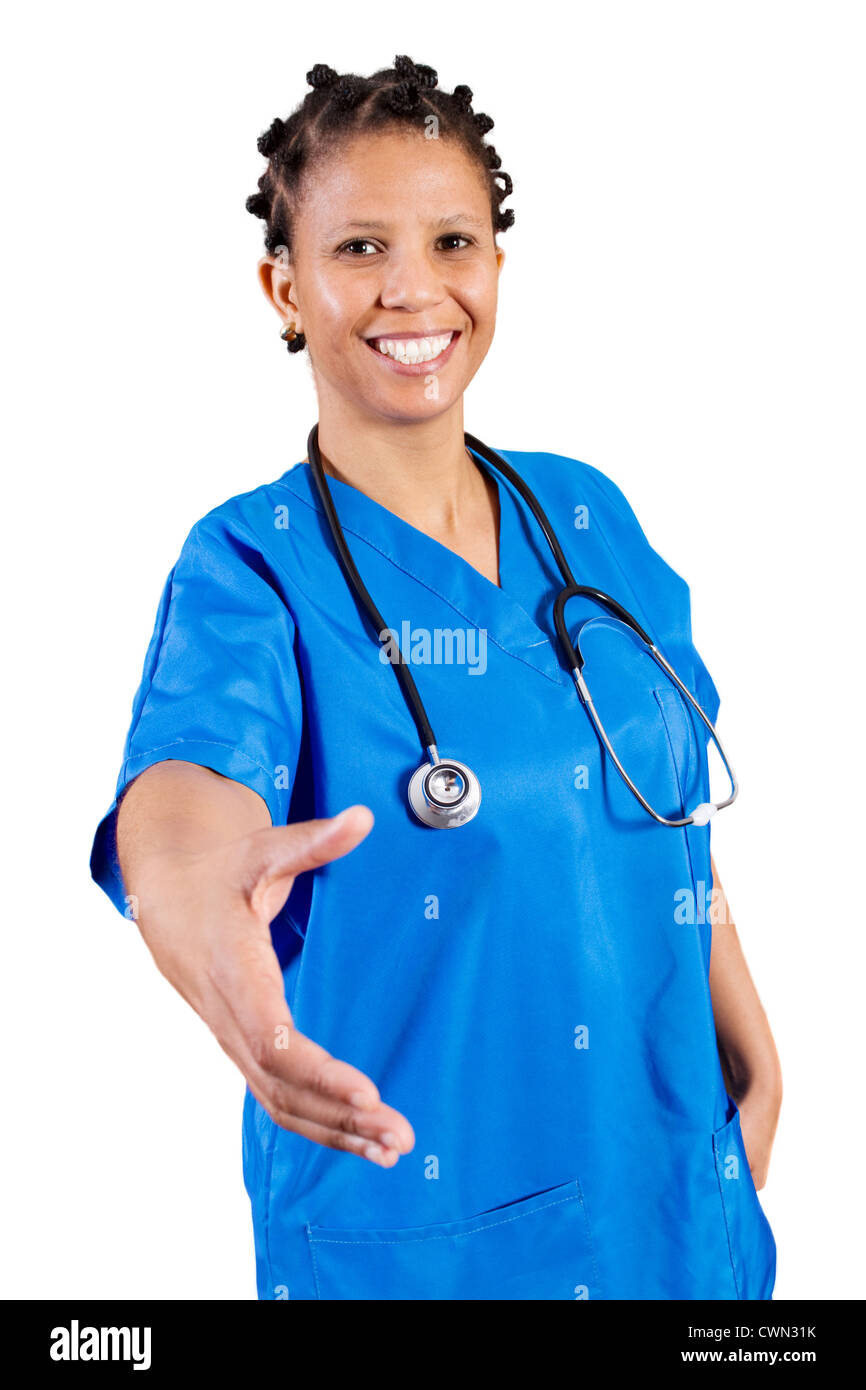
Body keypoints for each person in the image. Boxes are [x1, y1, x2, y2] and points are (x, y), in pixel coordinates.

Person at [90, 55, 782, 1301]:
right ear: (282, 286)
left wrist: (751, 1044)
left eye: (451, 239)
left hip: (675, 1190)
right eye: (357, 248)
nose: (413, 288)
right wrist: (200, 913)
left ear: (496, 269)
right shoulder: (252, 565)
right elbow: (188, 805)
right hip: (429, 1233)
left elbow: (661, 804)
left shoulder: (587, 517)